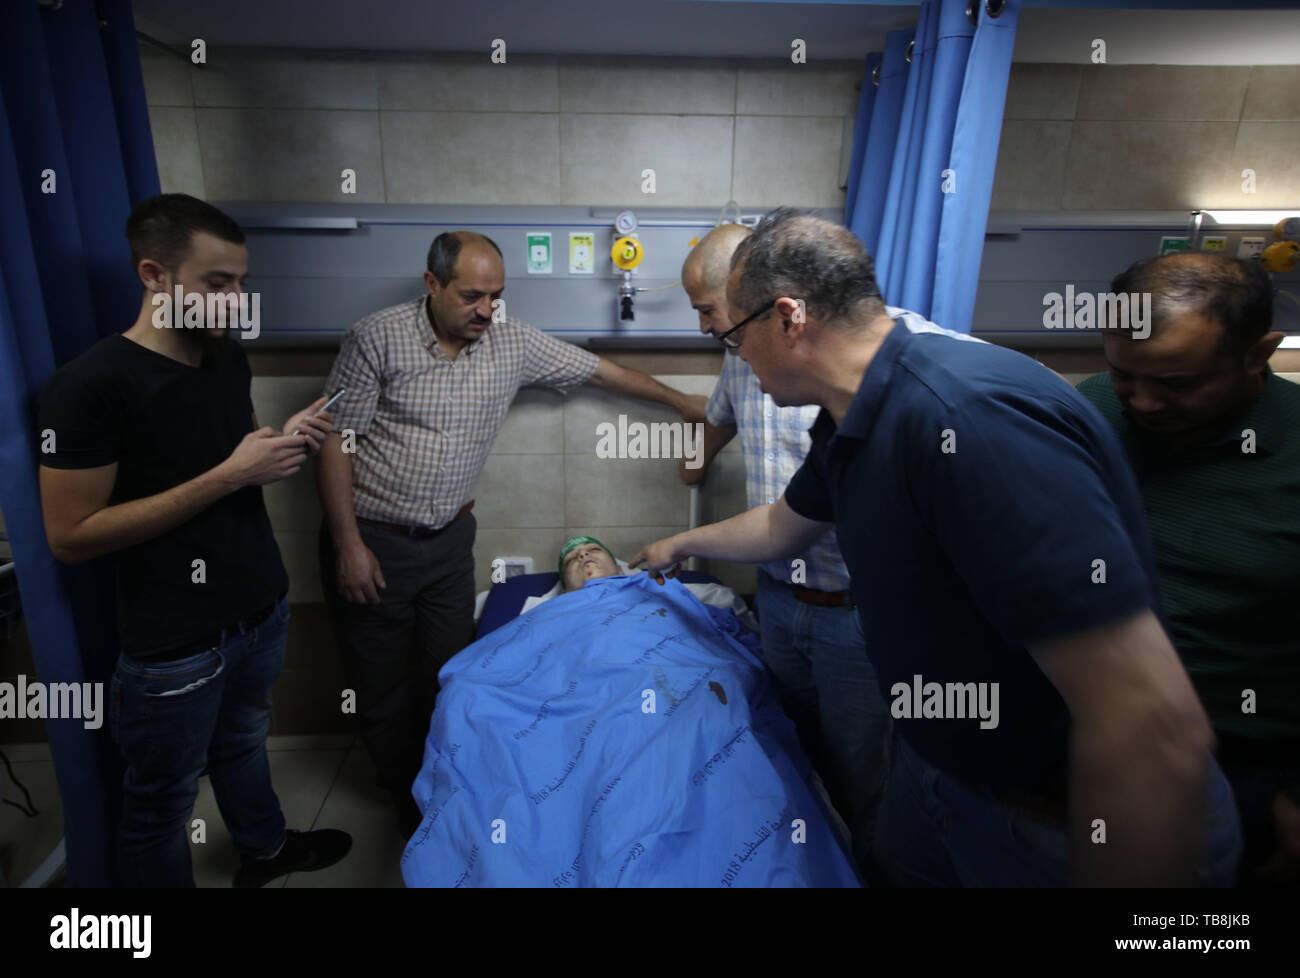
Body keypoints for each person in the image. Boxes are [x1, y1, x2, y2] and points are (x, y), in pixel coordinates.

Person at [632, 207, 1242, 887]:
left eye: (736, 336)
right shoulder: (855, 418)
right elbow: (785, 526)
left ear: (788, 319)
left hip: (1060, 824)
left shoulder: (968, 421)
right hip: (941, 778)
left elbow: (1149, 725)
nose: (735, 355)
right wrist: (677, 543)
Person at [315, 231, 708, 834]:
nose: (486, 310)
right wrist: (348, 545)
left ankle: (447, 782)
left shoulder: (510, 338)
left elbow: (601, 373)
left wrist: (681, 400)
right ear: (432, 285)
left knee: (451, 674)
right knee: (381, 685)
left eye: (496, 295)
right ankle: (410, 806)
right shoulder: (376, 337)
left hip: (449, 540)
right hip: (374, 538)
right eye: (472, 295)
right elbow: (337, 441)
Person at [38, 193, 351, 887]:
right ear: (155, 275)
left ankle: (265, 852)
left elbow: (234, 463)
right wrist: (227, 474)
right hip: (174, 643)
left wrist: (281, 446)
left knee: (243, 745)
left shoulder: (223, 359)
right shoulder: (88, 388)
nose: (236, 300)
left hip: (258, 607)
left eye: (241, 282)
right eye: (217, 284)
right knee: (161, 804)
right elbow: (70, 536)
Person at [677, 223, 978, 873]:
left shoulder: (925, 369)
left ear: (765, 300)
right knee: (796, 753)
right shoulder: (752, 363)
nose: (704, 327)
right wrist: (694, 467)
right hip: (782, 599)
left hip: (861, 615)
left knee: (864, 777)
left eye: (708, 309)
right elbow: (769, 494)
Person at [1077, 251, 1300, 886]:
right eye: (1124, 373)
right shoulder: (1093, 412)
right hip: (1093, 751)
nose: (1143, 403)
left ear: (1259, 353)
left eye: (1177, 383)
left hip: (1249, 766)